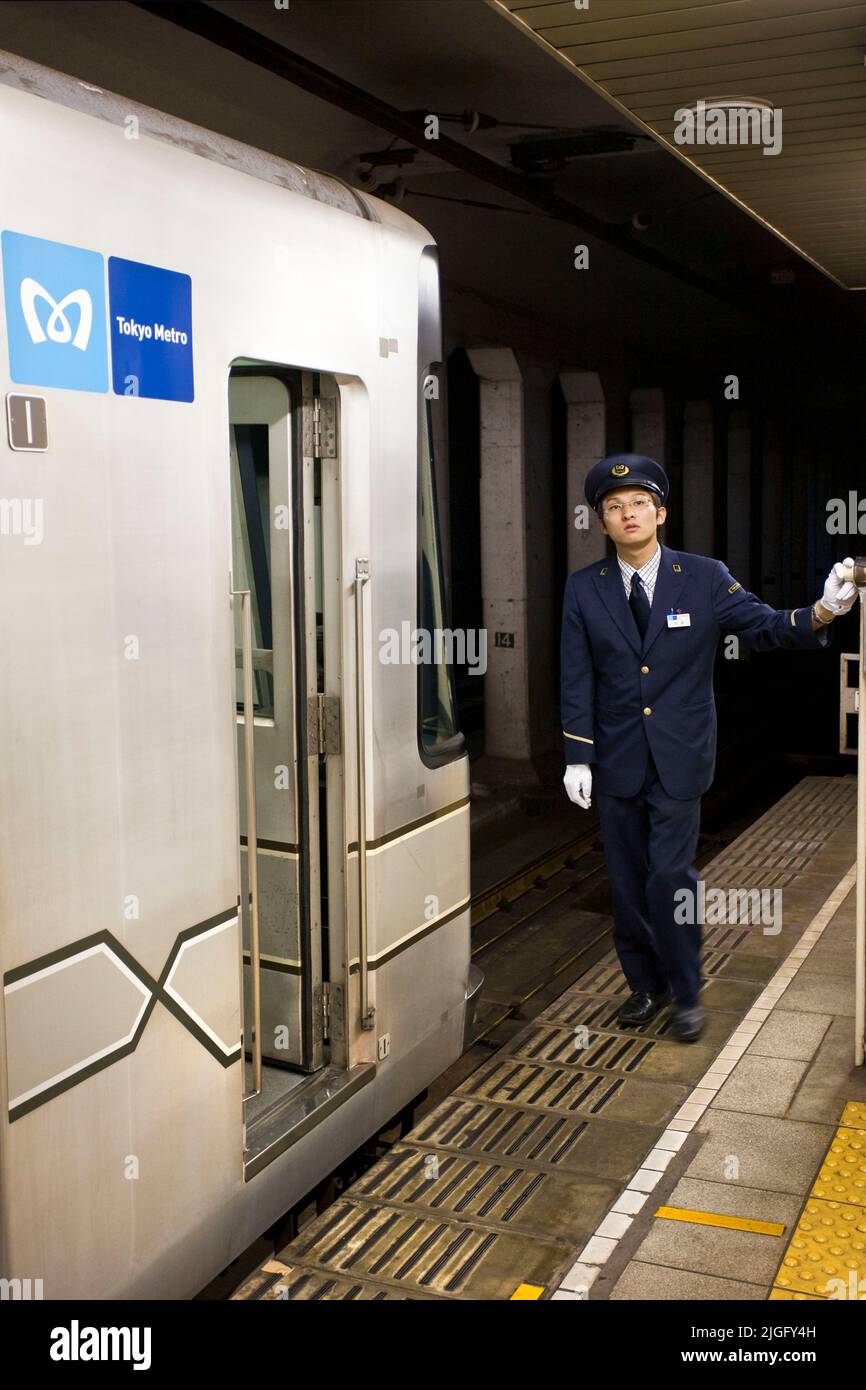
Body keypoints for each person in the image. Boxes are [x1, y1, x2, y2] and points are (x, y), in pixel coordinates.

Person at [560, 452, 857, 1043]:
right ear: (601, 523)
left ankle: (687, 993)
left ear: (661, 512)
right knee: (626, 881)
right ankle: (646, 988)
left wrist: (824, 610)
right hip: (617, 761)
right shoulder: (583, 589)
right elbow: (576, 674)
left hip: (679, 760)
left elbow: (765, 626)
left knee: (670, 878)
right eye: (614, 508)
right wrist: (577, 754)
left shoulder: (702, 576)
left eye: (639, 504)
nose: (628, 515)